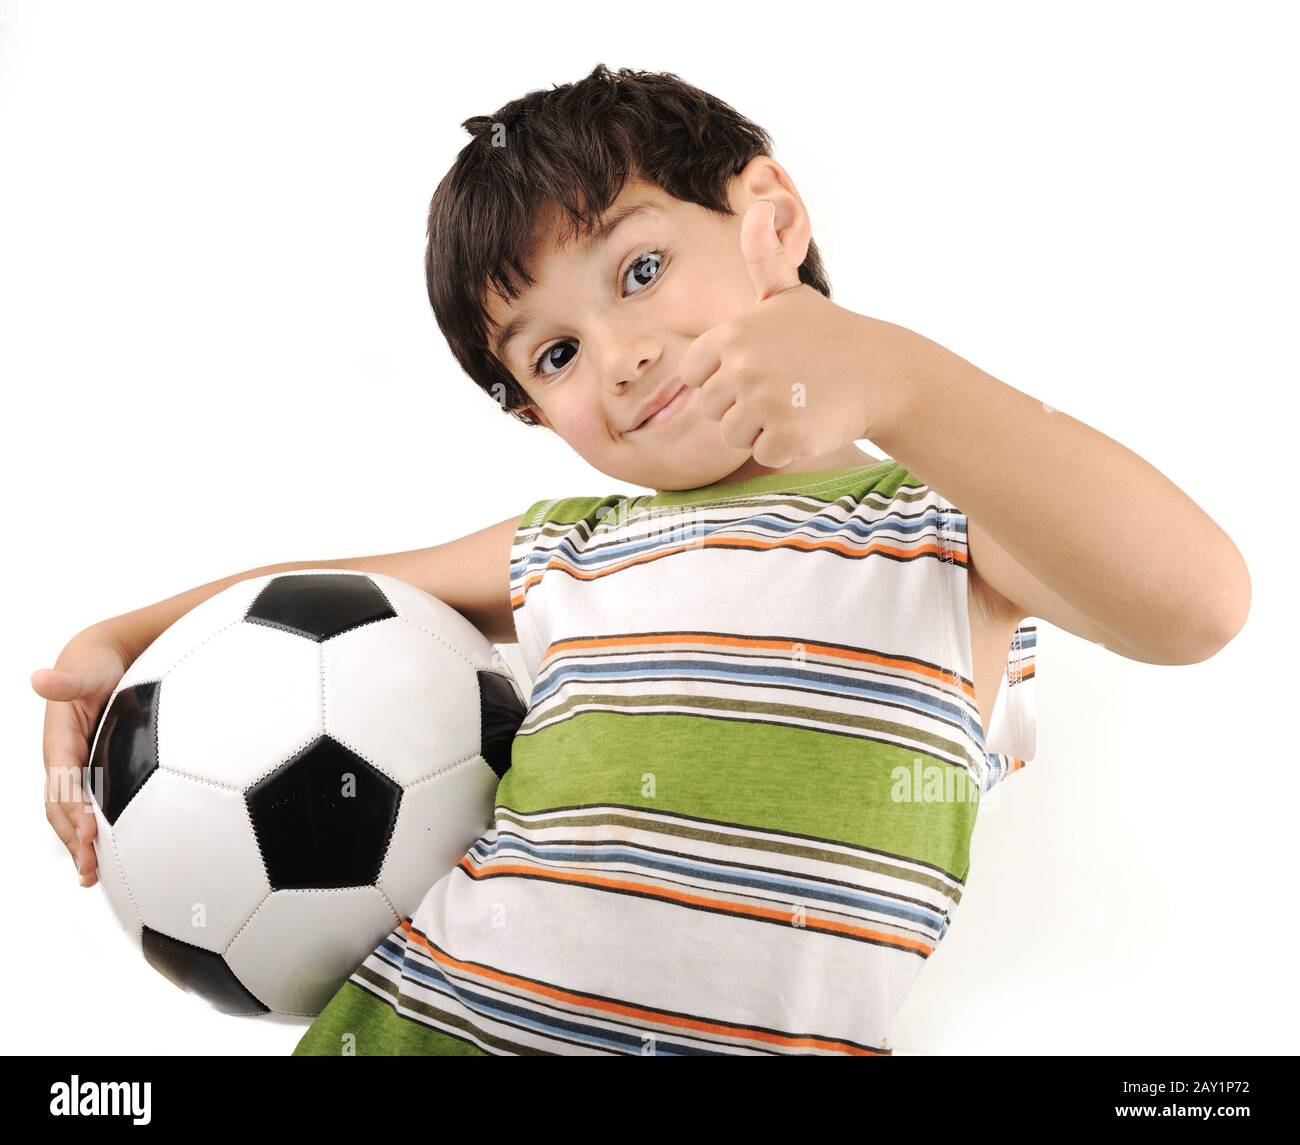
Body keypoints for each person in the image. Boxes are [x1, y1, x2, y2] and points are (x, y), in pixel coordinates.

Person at [36, 65, 1250, 1056]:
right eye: (554, 354)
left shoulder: (950, 526)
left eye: (642, 270)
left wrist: (905, 380)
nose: (616, 355)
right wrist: (110, 643)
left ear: (770, 223)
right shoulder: (574, 545)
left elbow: (1195, 604)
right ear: (529, 408)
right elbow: (310, 597)